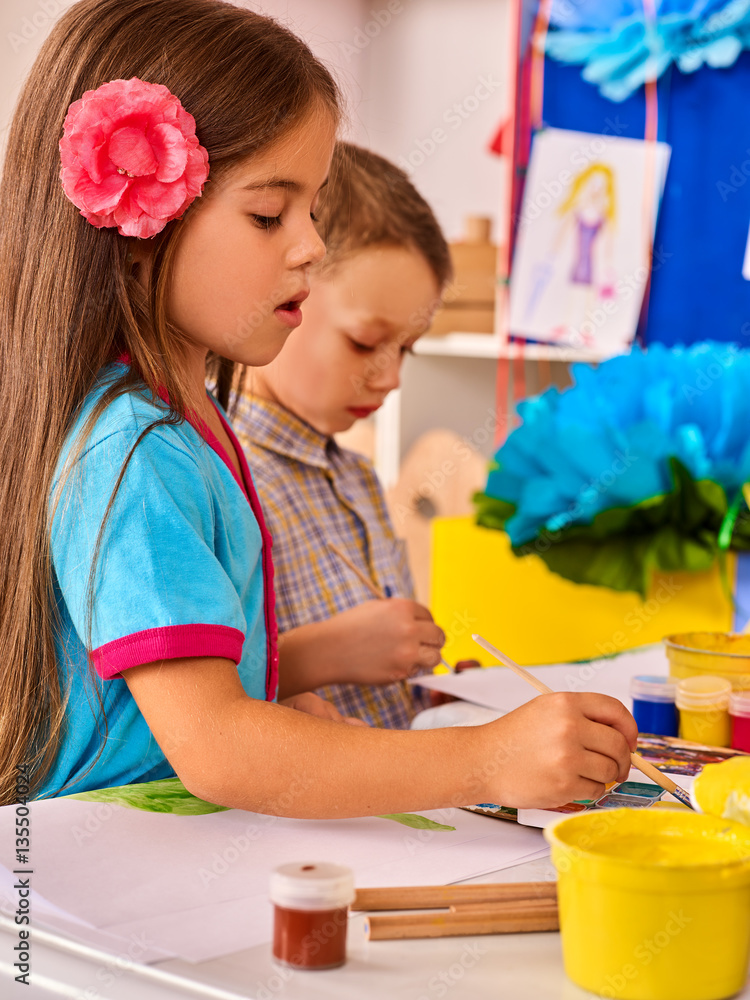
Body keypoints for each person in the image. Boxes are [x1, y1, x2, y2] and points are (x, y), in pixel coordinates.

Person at [0, 0, 638, 817]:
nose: (311, 245)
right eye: (270, 213)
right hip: (104, 887)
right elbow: (219, 751)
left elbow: (181, 711)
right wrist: (485, 758)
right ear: (137, 224)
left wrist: (277, 705)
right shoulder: (132, 449)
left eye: (311, 207)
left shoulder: (183, 424)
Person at [233, 142, 450, 728]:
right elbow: (197, 696)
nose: (392, 377)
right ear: (287, 296)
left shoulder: (356, 478)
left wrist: (429, 687)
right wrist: (329, 653)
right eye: (363, 342)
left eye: (406, 348)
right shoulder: (219, 472)